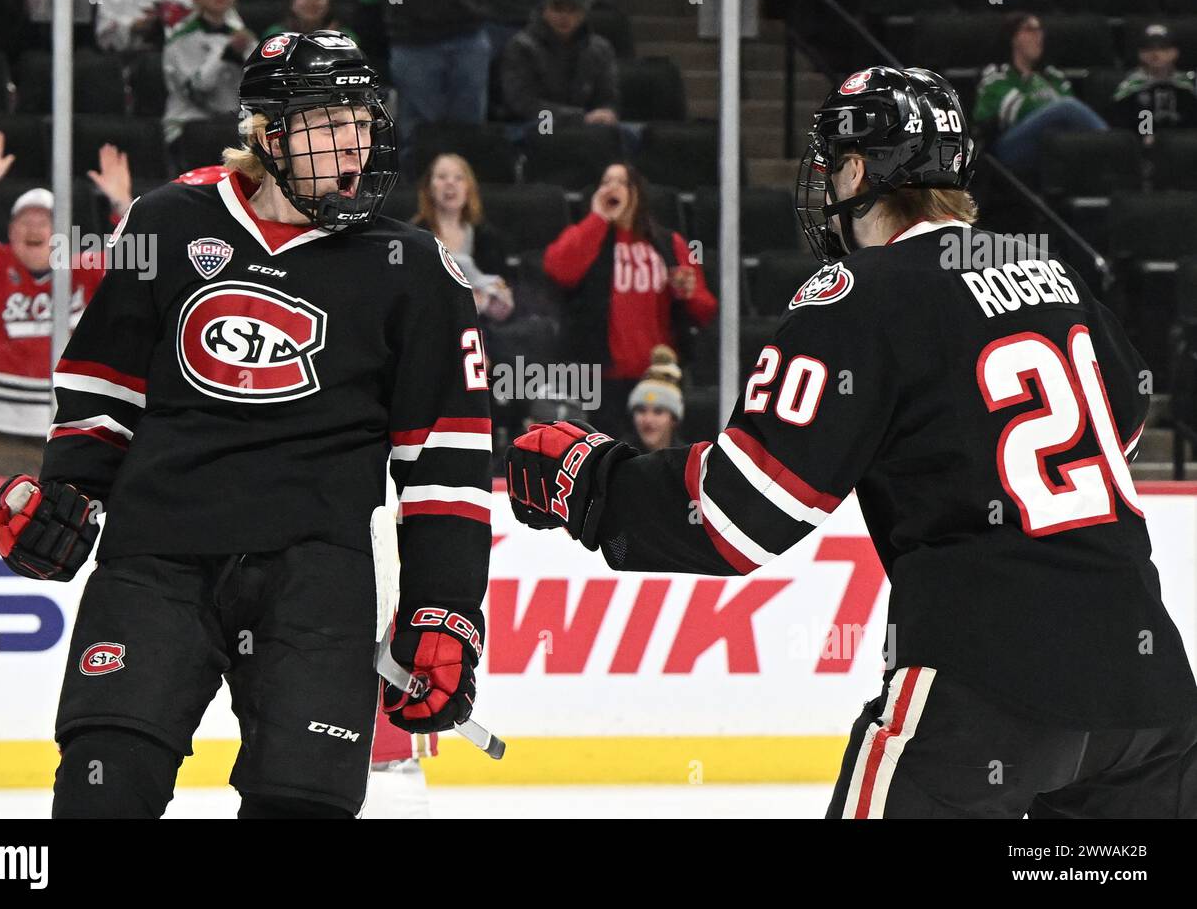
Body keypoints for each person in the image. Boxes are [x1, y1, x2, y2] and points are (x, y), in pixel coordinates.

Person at [507, 66, 1197, 818]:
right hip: (1152, 693)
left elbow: (737, 516)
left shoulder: (861, 294)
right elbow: (1121, 416)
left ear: (860, 169)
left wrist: (590, 478)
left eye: (834, 163)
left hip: (985, 685)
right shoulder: (1048, 269)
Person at [0, 31, 492, 819]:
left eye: (362, 120)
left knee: (301, 805)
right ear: (270, 132)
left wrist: (445, 607)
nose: (355, 141)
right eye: (331, 122)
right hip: (157, 559)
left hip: (316, 576)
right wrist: (68, 498)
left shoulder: (416, 271)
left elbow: (446, 463)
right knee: (101, 793)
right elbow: (101, 393)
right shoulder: (165, 224)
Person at [0, 133, 131, 472]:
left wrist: (122, 204)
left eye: (44, 220)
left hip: (67, 431)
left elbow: (137, 261)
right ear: (11, 231)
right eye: (24, 220)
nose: (33, 226)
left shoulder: (83, 268)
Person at [543, 161, 716, 437]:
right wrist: (598, 218)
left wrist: (688, 292)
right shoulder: (589, 235)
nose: (612, 187)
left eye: (621, 182)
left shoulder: (669, 244)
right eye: (606, 182)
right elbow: (558, 268)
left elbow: (705, 309)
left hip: (658, 376)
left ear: (637, 193)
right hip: (602, 379)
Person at [383, 0, 492, 170]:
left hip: (467, 30)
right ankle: (419, 191)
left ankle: (465, 191)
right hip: (413, 36)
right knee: (419, 130)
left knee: (468, 129)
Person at [973, 13, 1107, 177]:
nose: (1038, 35)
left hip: (1055, 144)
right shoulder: (997, 75)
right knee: (1067, 107)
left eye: (1040, 30)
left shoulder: (1053, 76)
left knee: (1069, 120)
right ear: (1013, 38)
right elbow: (1017, 111)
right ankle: (1110, 146)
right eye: (1030, 29)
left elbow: (1072, 120)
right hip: (1007, 147)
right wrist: (1051, 105)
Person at [162, 0, 255, 162]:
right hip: (189, 125)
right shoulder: (180, 40)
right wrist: (225, 54)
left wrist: (242, 56)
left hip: (231, 125)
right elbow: (198, 90)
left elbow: (258, 87)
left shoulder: (246, 39)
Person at [500, 0, 620, 131]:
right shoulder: (521, 46)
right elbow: (521, 102)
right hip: (536, 123)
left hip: (584, 124)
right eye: (558, 8)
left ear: (583, 14)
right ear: (544, 10)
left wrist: (607, 112)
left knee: (627, 134)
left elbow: (608, 97)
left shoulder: (601, 48)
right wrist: (574, 117)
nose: (565, 16)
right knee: (549, 133)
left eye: (573, 10)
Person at [413, 153, 512, 324]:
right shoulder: (413, 235)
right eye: (442, 177)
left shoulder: (487, 236)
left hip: (481, 328)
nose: (450, 183)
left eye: (459, 178)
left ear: (469, 189)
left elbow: (500, 290)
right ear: (429, 188)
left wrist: (499, 302)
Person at [1110, 24, 1197, 135]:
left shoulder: (1189, 85)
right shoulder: (1130, 88)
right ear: (1140, 53)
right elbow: (1119, 126)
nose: (1156, 54)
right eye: (1149, 48)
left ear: (1175, 52)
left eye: (1163, 48)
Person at [623, 345, 684, 454]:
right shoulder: (619, 459)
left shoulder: (688, 460)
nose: (648, 420)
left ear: (673, 419)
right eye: (641, 411)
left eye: (658, 412)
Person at [262, 0, 354, 41]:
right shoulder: (275, 35)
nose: (312, 2)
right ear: (292, 3)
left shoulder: (345, 37)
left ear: (330, 3)